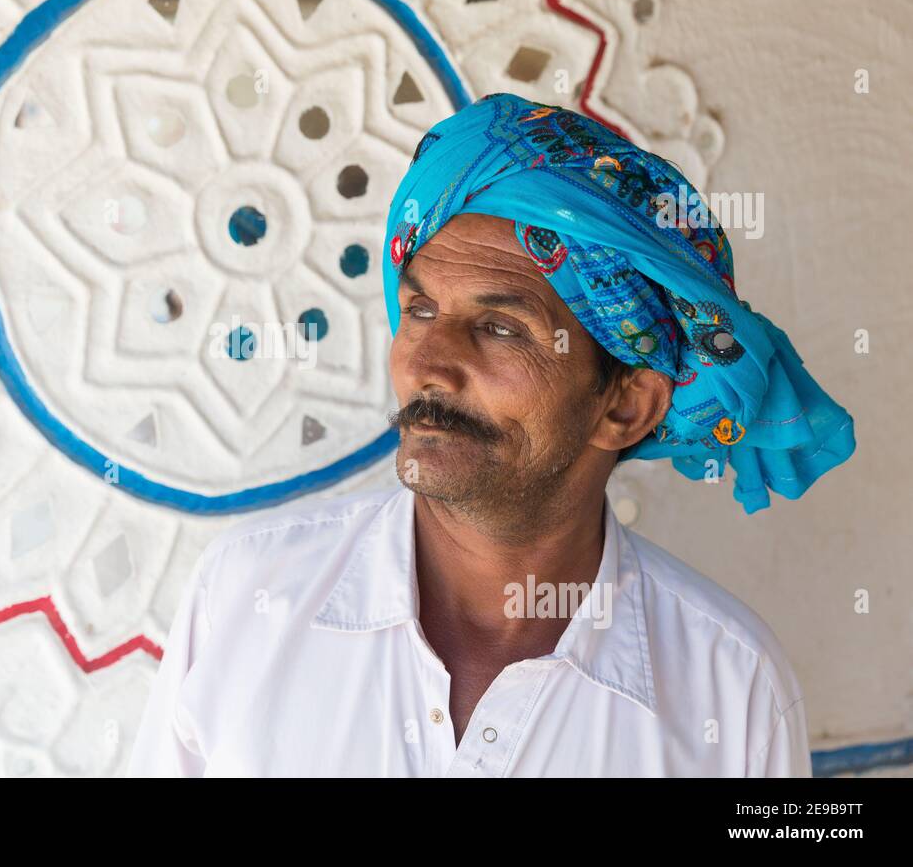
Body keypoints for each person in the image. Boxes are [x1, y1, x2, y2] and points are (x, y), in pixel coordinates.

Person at [125, 93, 855, 777]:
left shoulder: (732, 689)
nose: (427, 365)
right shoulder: (246, 598)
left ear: (626, 405)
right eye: (418, 310)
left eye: (501, 327)